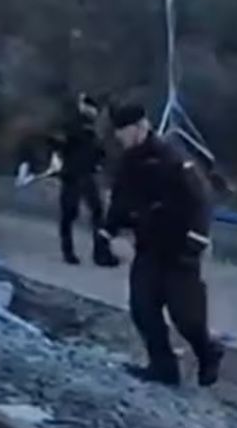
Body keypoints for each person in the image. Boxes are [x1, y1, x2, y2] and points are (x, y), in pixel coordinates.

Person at [102, 102, 223, 386]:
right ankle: (163, 368)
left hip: (179, 248)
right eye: (118, 131)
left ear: (141, 127)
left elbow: (201, 201)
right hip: (148, 246)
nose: (120, 137)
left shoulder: (172, 158)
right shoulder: (128, 163)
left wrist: (196, 241)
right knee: (143, 309)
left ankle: (209, 352)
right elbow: (120, 200)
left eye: (125, 130)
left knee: (187, 317)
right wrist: (106, 235)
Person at [53, 93, 119, 267]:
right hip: (74, 175)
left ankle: (98, 252)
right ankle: (72, 252)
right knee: (72, 214)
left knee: (94, 214)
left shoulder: (89, 127)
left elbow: (95, 150)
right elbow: (62, 144)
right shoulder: (75, 124)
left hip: (83, 174)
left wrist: (98, 161)